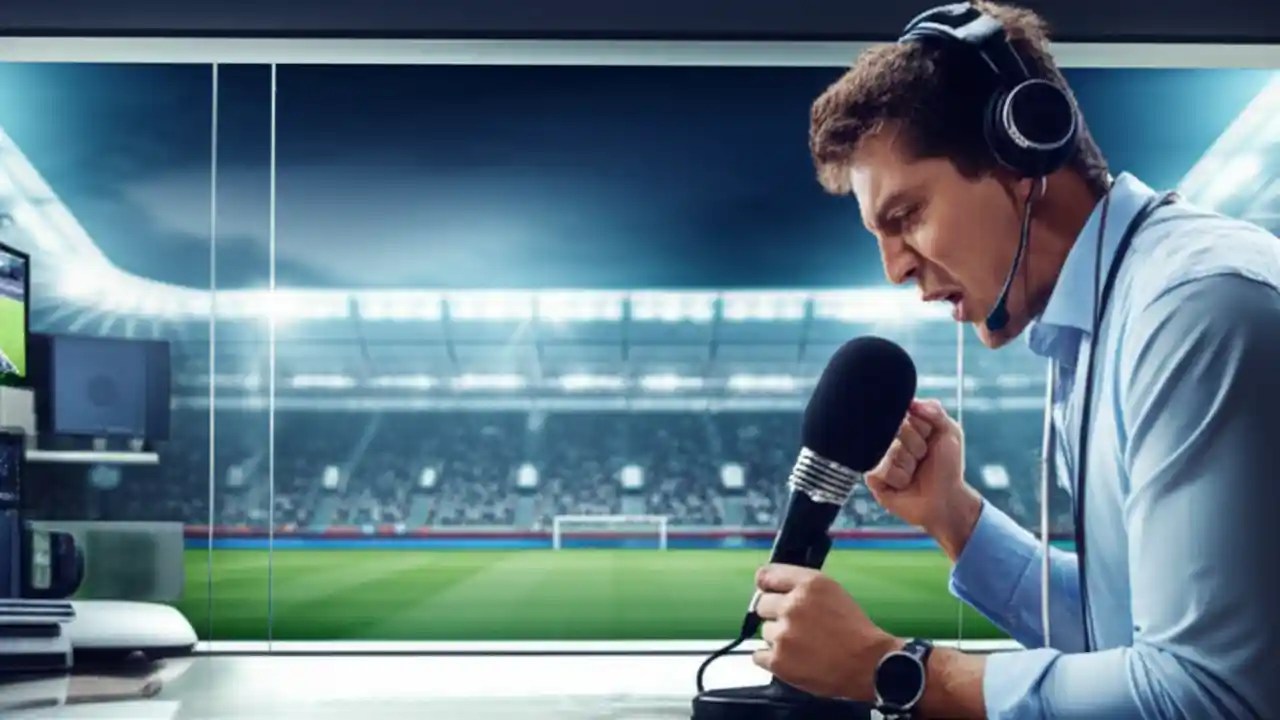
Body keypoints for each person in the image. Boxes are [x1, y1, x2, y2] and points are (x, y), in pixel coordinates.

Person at [748, 1, 1280, 718]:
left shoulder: (1195, 308)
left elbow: (1208, 694)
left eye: (906, 216)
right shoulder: (1107, 317)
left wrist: (894, 669)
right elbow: (1120, 631)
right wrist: (953, 515)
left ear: (1023, 157)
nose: (894, 269)